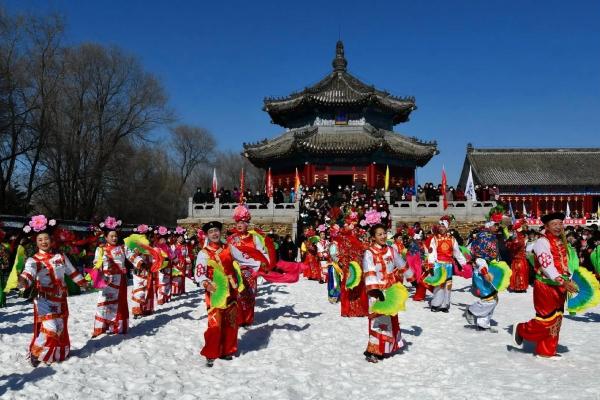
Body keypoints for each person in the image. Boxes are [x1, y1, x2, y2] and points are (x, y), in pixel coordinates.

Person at [18, 215, 89, 366]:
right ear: (36, 242)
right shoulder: (34, 260)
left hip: (61, 299)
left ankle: (56, 353)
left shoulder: (60, 257)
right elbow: (28, 273)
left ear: (51, 239)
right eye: (40, 240)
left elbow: (71, 271)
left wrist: (84, 283)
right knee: (51, 328)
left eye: (46, 239)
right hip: (44, 299)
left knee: (60, 328)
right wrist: (23, 280)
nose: (44, 242)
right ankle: (35, 353)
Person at [512, 212, 579, 359]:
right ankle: (522, 329)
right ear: (547, 226)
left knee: (557, 319)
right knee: (545, 320)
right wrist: (562, 280)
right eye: (554, 224)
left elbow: (566, 264)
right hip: (546, 286)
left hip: (560, 286)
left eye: (560, 224)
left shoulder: (562, 242)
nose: (558, 227)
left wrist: (571, 278)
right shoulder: (542, 242)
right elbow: (546, 264)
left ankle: (546, 351)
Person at [363, 223, 414, 363]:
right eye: (379, 234)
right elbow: (369, 270)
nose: (383, 236)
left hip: (390, 291)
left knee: (390, 320)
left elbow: (401, 264)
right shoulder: (369, 253)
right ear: (373, 237)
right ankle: (373, 351)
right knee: (377, 321)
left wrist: (412, 278)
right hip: (376, 292)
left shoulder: (391, 250)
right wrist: (375, 289)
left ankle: (386, 347)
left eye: (384, 233)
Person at [195, 221, 240, 367]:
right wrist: (206, 284)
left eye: (216, 230)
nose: (214, 233)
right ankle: (211, 352)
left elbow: (245, 259)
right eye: (211, 231)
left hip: (231, 290)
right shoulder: (204, 253)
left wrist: (261, 264)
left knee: (231, 321)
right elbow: (199, 274)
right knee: (215, 323)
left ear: (220, 232)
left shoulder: (229, 248)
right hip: (215, 292)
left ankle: (226, 350)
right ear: (207, 235)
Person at [227, 205, 270, 327]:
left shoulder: (254, 238)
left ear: (247, 224)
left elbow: (262, 253)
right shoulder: (231, 239)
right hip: (237, 271)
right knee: (238, 295)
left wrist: (263, 263)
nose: (239, 224)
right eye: (237, 222)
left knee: (250, 295)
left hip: (251, 271)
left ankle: (248, 318)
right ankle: (239, 319)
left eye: (242, 222)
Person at [91, 216, 129, 337]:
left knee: (117, 304)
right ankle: (100, 328)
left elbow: (132, 256)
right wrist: (98, 268)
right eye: (111, 236)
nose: (114, 238)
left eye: (115, 236)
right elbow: (96, 262)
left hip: (119, 281)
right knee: (103, 303)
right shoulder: (100, 249)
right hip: (105, 280)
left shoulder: (122, 248)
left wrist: (140, 263)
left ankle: (116, 326)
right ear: (106, 237)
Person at [463, 215, 501, 332]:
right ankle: (471, 311)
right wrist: (486, 274)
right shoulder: (483, 247)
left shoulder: (486, 236)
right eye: (495, 225)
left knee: (493, 298)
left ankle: (483, 323)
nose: (497, 227)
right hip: (481, 276)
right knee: (490, 299)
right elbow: (481, 264)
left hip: (485, 274)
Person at [427, 216, 468, 312]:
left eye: (443, 226)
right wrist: (431, 263)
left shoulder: (452, 239)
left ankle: (445, 304)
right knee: (439, 284)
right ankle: (436, 304)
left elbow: (457, 253)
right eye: (440, 226)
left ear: (447, 227)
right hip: (438, 264)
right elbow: (432, 252)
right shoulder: (435, 239)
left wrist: (464, 264)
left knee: (448, 285)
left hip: (449, 265)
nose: (441, 228)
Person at [127, 224, 155, 318]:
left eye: (145, 235)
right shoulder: (133, 245)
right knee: (139, 290)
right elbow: (131, 256)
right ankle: (137, 311)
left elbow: (153, 256)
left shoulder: (149, 245)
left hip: (149, 269)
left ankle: (146, 308)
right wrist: (140, 261)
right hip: (139, 270)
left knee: (148, 289)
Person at [507, 219, 529, 292]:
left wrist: (510, 244)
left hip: (519, 259)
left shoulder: (519, 238)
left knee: (519, 273)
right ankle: (520, 287)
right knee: (520, 273)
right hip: (519, 258)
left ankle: (520, 287)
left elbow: (514, 247)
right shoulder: (519, 237)